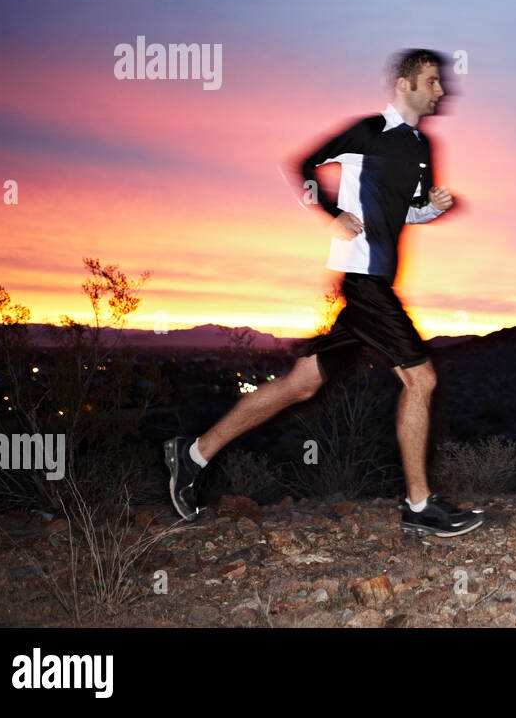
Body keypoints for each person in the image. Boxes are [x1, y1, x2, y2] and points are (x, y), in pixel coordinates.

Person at [163, 48, 482, 537]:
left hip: (373, 282)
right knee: (422, 381)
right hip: (363, 278)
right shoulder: (368, 132)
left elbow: (408, 210)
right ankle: (419, 508)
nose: (442, 90)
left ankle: (192, 454)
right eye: (432, 81)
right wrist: (332, 214)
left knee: (302, 384)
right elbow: (304, 166)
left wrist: (432, 206)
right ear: (404, 84)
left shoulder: (420, 146)